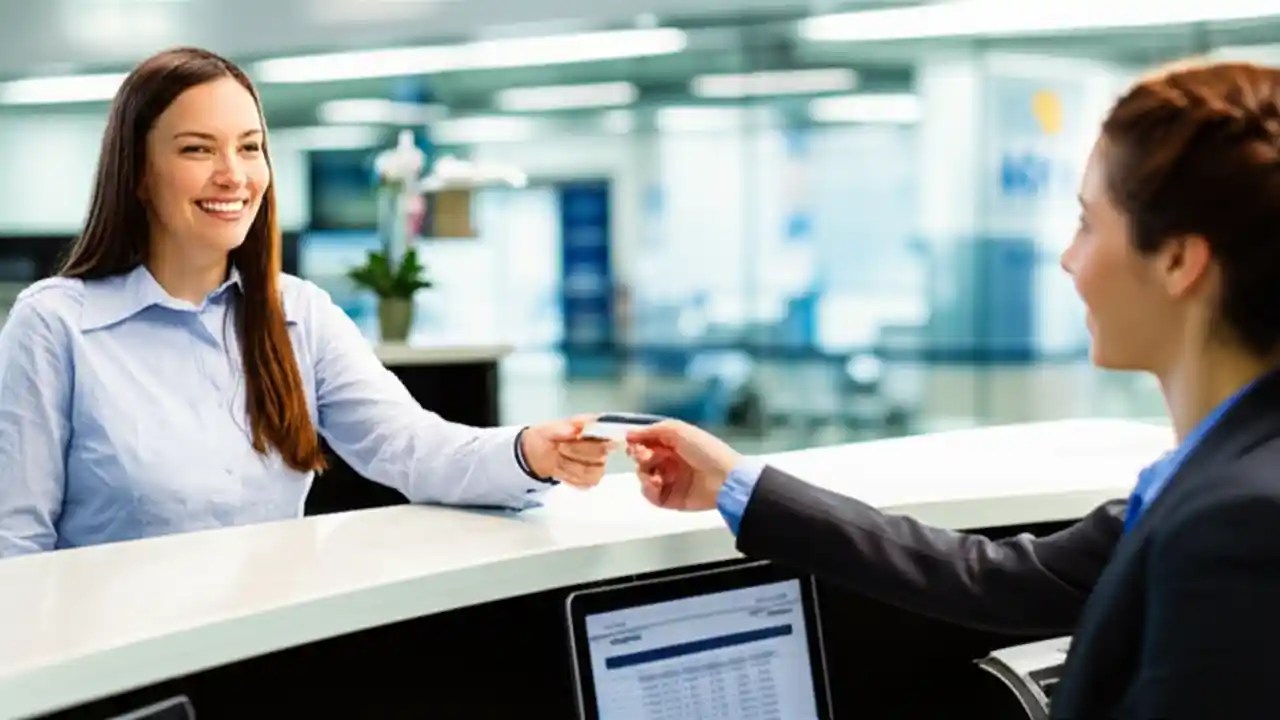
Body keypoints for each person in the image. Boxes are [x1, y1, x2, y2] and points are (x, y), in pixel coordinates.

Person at [625, 59, 1280, 718]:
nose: (1067, 257)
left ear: (1176, 259)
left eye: (1087, 222)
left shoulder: (1236, 527)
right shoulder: (1215, 480)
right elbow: (999, 578)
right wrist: (736, 484)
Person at [0, 47, 611, 557]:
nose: (233, 175)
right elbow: (14, 541)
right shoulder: (56, 324)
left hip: (266, 655)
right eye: (197, 149)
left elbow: (411, 447)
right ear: (137, 172)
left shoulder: (299, 314)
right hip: (119, 675)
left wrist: (532, 452)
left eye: (248, 146)